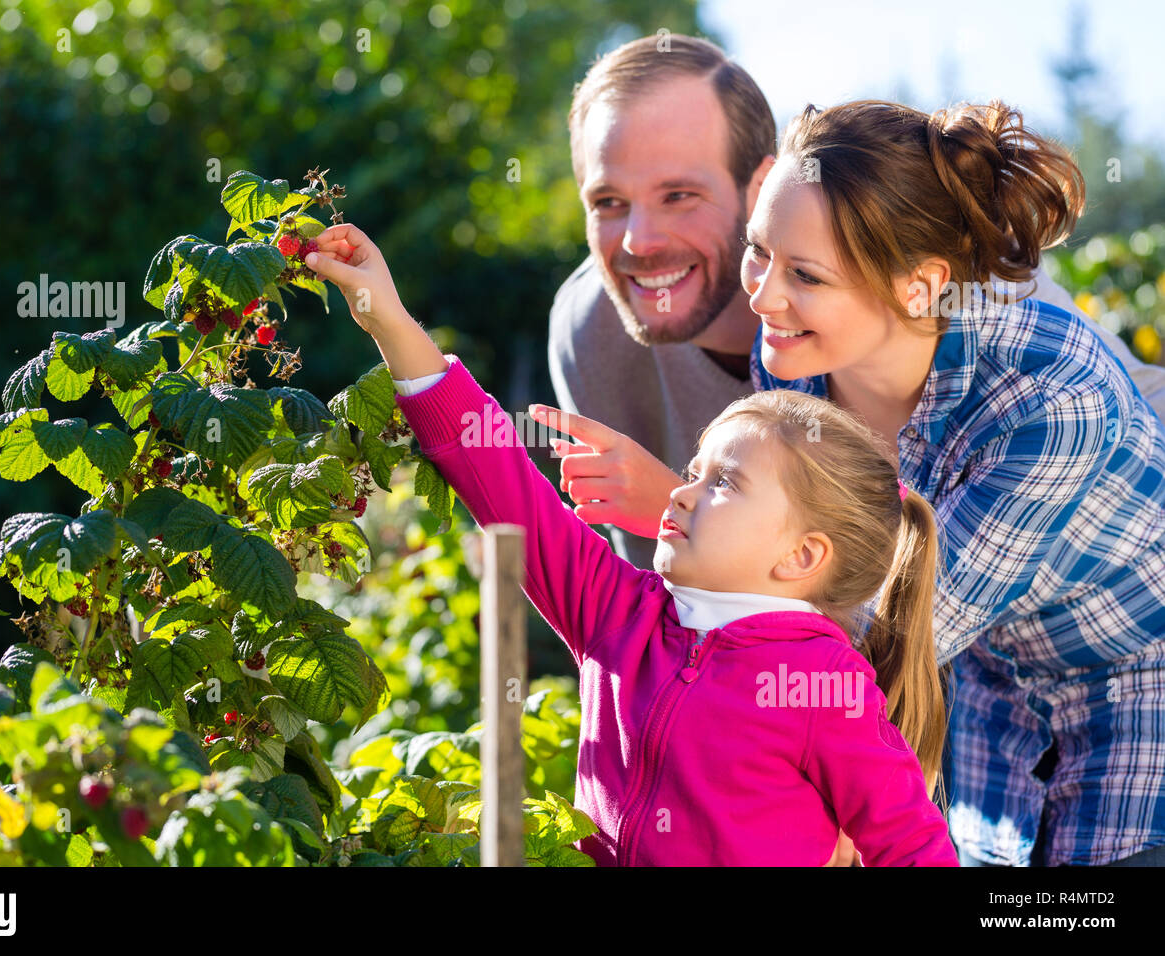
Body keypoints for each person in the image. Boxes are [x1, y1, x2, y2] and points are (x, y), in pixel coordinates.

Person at [554, 97, 1165, 868]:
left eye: (805, 274)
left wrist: (675, 507)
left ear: (920, 285)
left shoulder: (1050, 400)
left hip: (1134, 698)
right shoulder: (795, 357)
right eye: (758, 252)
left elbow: (889, 626)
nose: (764, 297)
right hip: (987, 707)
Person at [300, 223, 959, 866]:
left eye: (723, 483)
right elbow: (499, 477)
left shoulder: (820, 683)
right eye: (695, 471)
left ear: (801, 556)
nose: (681, 492)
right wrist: (385, 315)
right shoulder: (616, 611)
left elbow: (912, 845)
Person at [546, 33, 1165, 573]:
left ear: (761, 186)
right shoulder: (596, 330)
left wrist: (679, 506)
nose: (638, 241)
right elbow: (663, 594)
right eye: (606, 201)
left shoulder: (983, 300)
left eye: (678, 194)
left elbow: (902, 620)